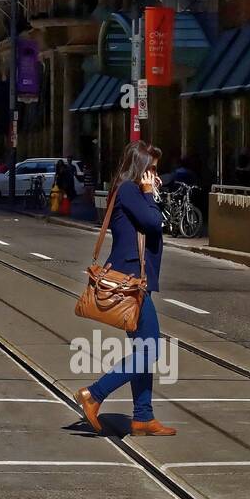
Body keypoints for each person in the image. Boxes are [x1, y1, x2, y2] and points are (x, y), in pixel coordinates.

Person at [75, 140, 176, 437]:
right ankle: (94, 394)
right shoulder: (132, 190)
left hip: (136, 281)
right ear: (140, 168)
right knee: (151, 349)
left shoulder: (131, 191)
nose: (156, 175)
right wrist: (148, 193)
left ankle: (143, 417)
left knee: (144, 347)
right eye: (152, 169)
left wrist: (150, 193)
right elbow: (152, 223)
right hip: (131, 283)